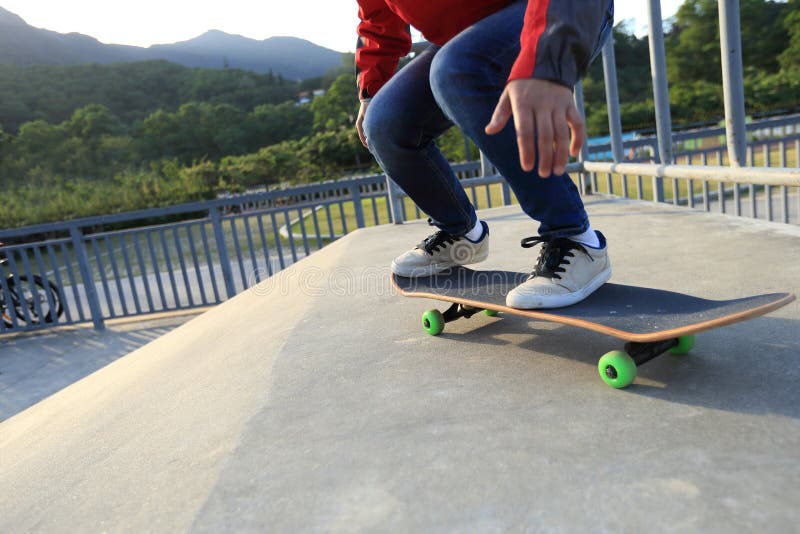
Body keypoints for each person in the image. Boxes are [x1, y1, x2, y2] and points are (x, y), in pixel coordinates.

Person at [355, 0, 614, 309]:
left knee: (456, 68)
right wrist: (371, 89)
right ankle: (459, 233)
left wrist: (547, 60)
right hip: (463, 40)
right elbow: (378, 18)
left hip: (561, 11)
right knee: (384, 123)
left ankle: (576, 239)